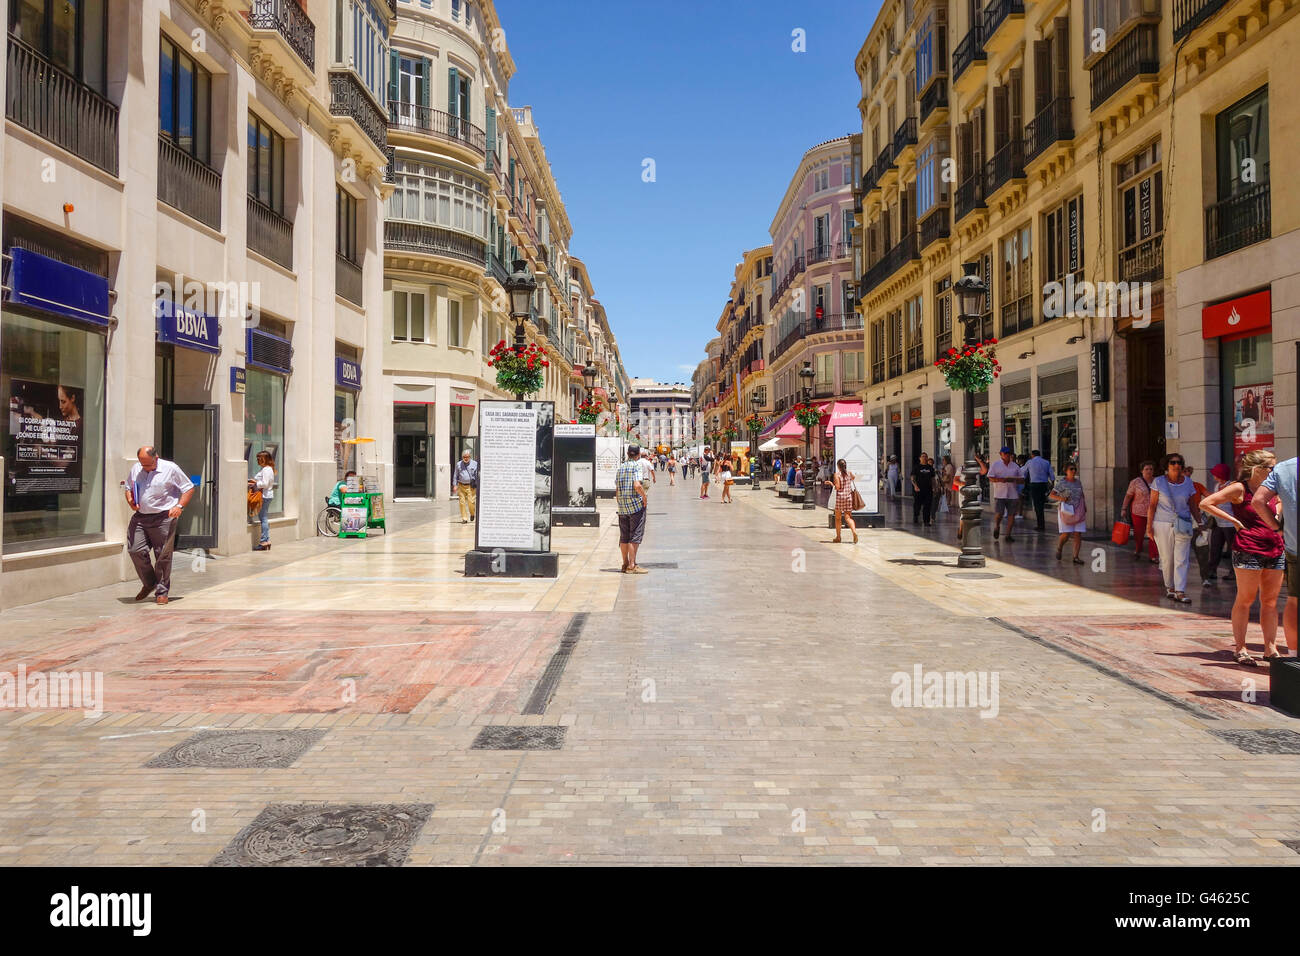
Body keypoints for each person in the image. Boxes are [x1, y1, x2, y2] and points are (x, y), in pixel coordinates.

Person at [1201, 450, 1285, 664]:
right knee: (1246, 599)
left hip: (1275, 547)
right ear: (1257, 469)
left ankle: (1270, 648)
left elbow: (1281, 503)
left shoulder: (1273, 487)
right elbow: (1206, 503)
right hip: (1249, 548)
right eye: (1271, 468)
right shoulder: (1240, 488)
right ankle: (1240, 648)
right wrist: (1234, 521)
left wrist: (1279, 513)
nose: (1275, 471)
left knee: (1270, 601)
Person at [124, 445, 195, 606]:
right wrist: (130, 500)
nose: (145, 468)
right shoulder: (136, 468)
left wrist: (179, 507)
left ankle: (162, 591)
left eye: (148, 464)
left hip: (163, 517)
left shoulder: (171, 468)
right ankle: (149, 583)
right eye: (142, 464)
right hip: (140, 517)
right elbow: (128, 488)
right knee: (134, 549)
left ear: (156, 458)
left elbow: (188, 488)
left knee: (162, 555)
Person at [1254, 456, 1298, 657]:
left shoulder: (1284, 468)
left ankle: (1293, 654)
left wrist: (1277, 528)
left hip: (1295, 545)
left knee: (1294, 600)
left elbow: (1258, 501)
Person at [1147, 452, 1204, 605]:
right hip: (1162, 524)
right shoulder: (1158, 482)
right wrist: (1149, 526)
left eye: (1179, 463)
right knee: (1167, 558)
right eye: (1172, 462)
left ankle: (1180, 590)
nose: (1176, 465)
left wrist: (1200, 522)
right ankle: (1170, 587)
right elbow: (1152, 505)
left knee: (1182, 557)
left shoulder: (1188, 483)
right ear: (1167, 465)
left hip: (1183, 523)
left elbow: (1192, 505)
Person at [616, 445, 649, 574]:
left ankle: (624, 564)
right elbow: (637, 485)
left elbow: (617, 489)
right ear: (638, 454)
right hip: (635, 506)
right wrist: (644, 497)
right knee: (634, 535)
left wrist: (620, 502)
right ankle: (632, 565)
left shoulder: (621, 467)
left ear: (627, 453)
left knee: (624, 536)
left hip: (622, 506)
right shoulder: (636, 466)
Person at [1121, 460, 1160, 564]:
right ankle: (1138, 549)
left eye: (1151, 469)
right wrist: (1124, 509)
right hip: (1138, 512)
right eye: (1146, 469)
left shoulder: (1158, 481)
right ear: (1142, 471)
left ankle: (1153, 555)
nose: (1149, 471)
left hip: (1154, 512)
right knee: (1139, 534)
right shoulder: (1135, 482)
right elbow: (1128, 496)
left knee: (1153, 533)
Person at [1049, 462, 1087, 563]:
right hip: (1067, 511)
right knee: (1066, 534)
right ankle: (1060, 547)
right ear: (1066, 471)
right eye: (1071, 469)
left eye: (1075, 469)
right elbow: (1051, 495)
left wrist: (1085, 506)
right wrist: (1061, 498)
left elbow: (1081, 494)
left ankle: (1076, 557)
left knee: (1078, 533)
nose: (1074, 471)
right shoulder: (1062, 483)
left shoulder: (1078, 482)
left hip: (1078, 509)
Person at [1205, 463, 1236, 582]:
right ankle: (1212, 570)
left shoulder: (1231, 486)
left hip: (1230, 523)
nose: (1213, 476)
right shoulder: (1217, 486)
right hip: (1218, 522)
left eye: (1215, 474)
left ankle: (1233, 572)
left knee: (1233, 549)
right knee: (1215, 547)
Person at [988, 446, 1025, 541]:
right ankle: (997, 526)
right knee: (999, 513)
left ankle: (1008, 534)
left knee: (1011, 514)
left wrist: (1012, 479)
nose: (1007, 455)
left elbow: (1022, 479)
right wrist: (999, 480)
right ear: (1001, 455)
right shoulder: (996, 465)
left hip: (1012, 494)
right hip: (1000, 494)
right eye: (1005, 454)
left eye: (1008, 453)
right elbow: (990, 477)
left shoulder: (1015, 466)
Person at [825, 458, 860, 544]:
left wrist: (831, 483)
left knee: (838, 518)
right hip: (848, 498)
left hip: (840, 498)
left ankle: (838, 537)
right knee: (848, 517)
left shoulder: (837, 475)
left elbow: (837, 487)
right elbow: (854, 478)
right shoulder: (849, 473)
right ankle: (854, 532)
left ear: (838, 466)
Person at [249, 450, 276, 551]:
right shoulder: (269, 469)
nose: (257, 460)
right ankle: (267, 540)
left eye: (259, 458)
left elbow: (264, 483)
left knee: (263, 518)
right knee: (264, 518)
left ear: (264, 459)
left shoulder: (266, 470)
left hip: (264, 496)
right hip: (267, 495)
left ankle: (264, 541)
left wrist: (255, 484)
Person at [1023, 449, 1056, 532]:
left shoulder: (1030, 462)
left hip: (1035, 485)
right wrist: (1052, 483)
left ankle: (1040, 525)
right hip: (1044, 485)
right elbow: (1051, 474)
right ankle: (1041, 524)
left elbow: (1023, 472)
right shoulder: (1046, 462)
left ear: (1032, 455)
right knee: (1041, 504)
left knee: (1037, 505)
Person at [911, 452, 936, 526]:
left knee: (927, 506)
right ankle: (916, 516)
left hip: (928, 490)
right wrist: (915, 486)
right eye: (923, 456)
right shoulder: (916, 467)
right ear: (920, 458)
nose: (924, 458)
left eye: (926, 456)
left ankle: (926, 521)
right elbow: (912, 478)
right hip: (918, 490)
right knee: (917, 505)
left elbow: (933, 479)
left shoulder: (930, 468)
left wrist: (934, 487)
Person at [453, 448, 479, 523]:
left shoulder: (475, 464)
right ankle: (464, 518)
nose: (466, 458)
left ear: (470, 457)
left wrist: (476, 483)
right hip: (461, 485)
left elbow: (477, 475)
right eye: (464, 457)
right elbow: (455, 475)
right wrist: (455, 485)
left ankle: (472, 514)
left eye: (467, 457)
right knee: (462, 502)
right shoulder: (458, 464)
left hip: (471, 486)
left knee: (471, 502)